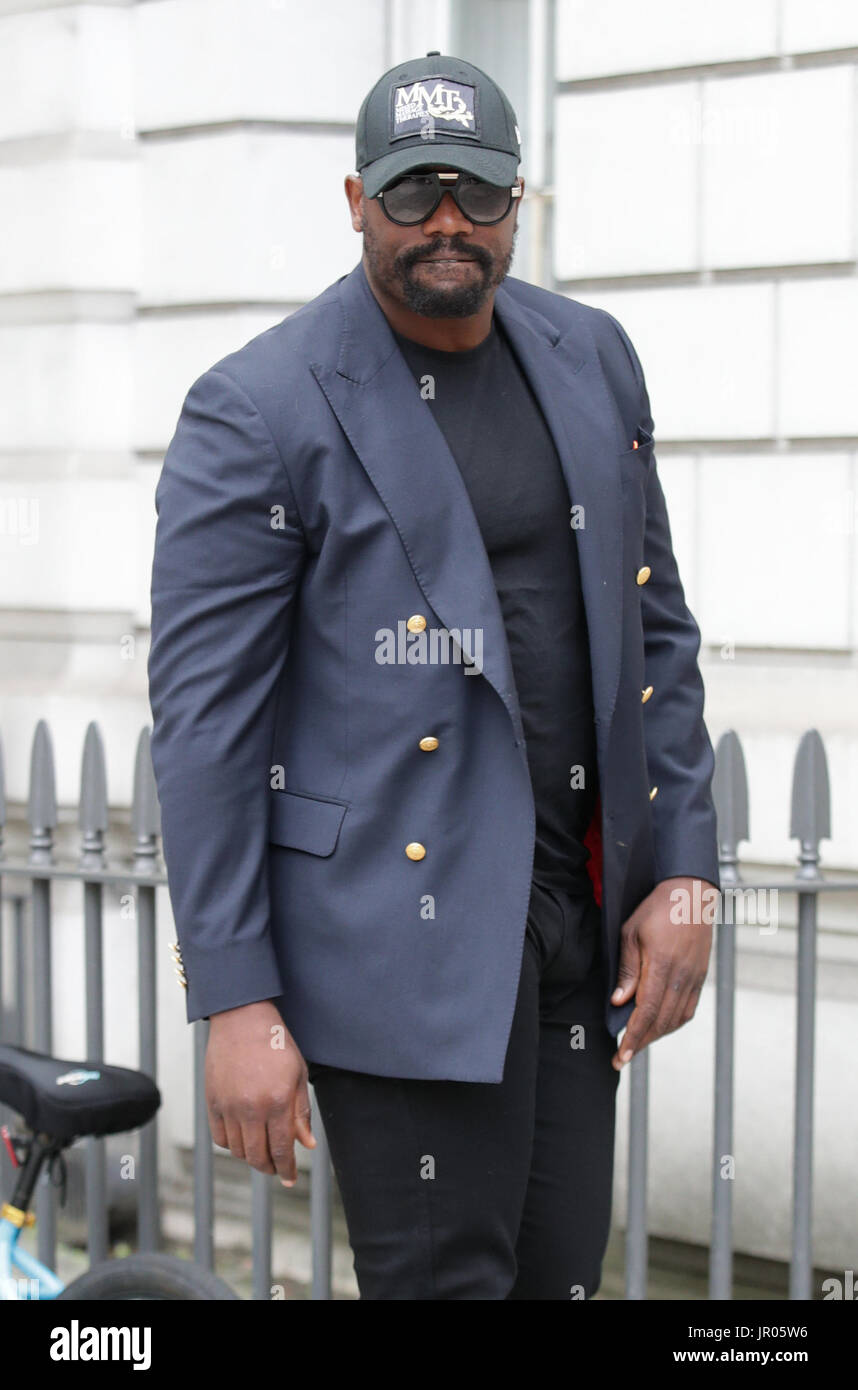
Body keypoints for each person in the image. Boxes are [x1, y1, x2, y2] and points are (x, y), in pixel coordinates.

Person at [147, 51, 720, 1300]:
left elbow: (654, 633)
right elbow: (205, 734)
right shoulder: (256, 407)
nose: (446, 220)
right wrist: (236, 999)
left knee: (560, 1275)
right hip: (393, 946)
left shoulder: (594, 355)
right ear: (357, 201)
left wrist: (684, 870)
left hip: (577, 930)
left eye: (476, 190)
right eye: (412, 194)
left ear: (522, 200)